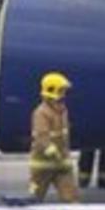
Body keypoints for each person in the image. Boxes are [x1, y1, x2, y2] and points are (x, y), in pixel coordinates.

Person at [29, 72, 79, 202]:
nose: (64, 94)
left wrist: (64, 157)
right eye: (61, 90)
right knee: (34, 200)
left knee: (71, 199)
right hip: (42, 166)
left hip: (62, 164)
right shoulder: (41, 113)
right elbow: (41, 137)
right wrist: (54, 152)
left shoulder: (63, 111)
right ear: (52, 91)